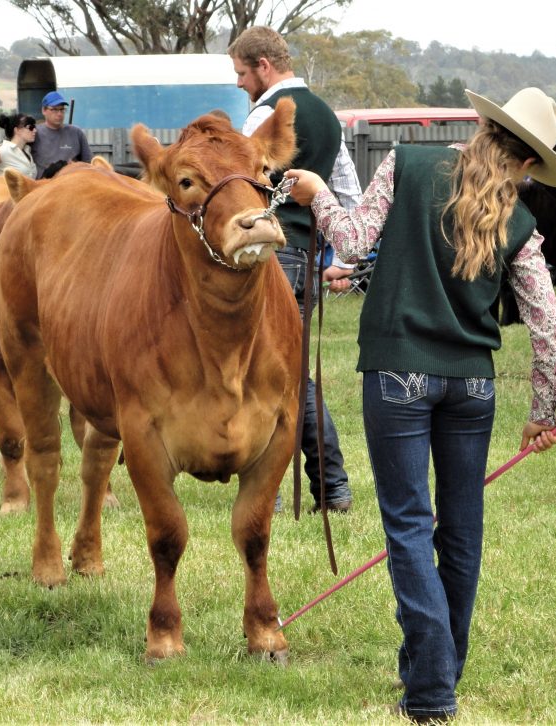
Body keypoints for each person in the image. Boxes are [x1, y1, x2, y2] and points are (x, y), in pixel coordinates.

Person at [284, 87, 556, 722]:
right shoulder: (519, 221)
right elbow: (549, 326)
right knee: (461, 531)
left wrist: (317, 194)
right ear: (530, 163)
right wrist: (544, 410)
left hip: (397, 374)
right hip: (472, 385)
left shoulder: (409, 163)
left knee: (410, 527)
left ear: (482, 124)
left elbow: (354, 239)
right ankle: (439, 677)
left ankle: (433, 688)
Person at [228, 25, 361, 513]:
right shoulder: (327, 116)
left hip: (269, 256)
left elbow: (233, 185)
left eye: (242, 73)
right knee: (297, 374)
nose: (240, 83)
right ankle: (332, 487)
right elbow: (349, 196)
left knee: (265, 376)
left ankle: (274, 491)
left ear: (263, 66)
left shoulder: (265, 115)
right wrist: (343, 259)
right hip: (308, 259)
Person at [0, 91, 92, 178]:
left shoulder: (76, 133)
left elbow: (89, 164)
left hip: (70, 188)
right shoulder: (33, 132)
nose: (59, 113)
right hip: (42, 189)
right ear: (44, 110)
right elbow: (10, 146)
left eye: (62, 109)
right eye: (54, 109)